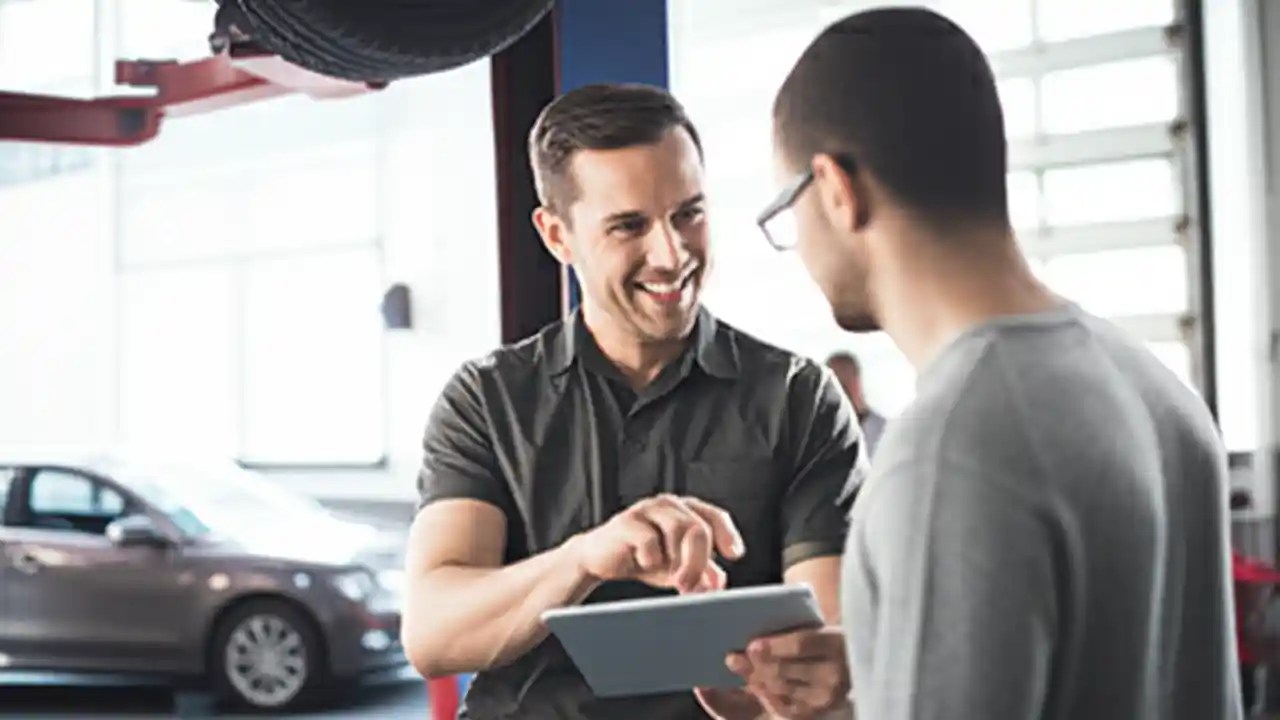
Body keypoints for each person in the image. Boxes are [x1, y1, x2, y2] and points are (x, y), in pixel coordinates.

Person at [762, 7, 1242, 720]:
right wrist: (877, 681)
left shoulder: (950, 447)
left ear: (835, 189)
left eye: (785, 206)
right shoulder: (1157, 390)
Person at [401, 83, 863, 720]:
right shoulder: (486, 401)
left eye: (689, 214)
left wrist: (777, 693)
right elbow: (431, 635)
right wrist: (584, 559)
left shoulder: (798, 398)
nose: (671, 255)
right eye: (629, 226)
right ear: (557, 235)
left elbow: (825, 641)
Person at [825, 351, 886, 459]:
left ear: (857, 381)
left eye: (845, 383)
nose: (840, 391)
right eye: (833, 383)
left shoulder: (885, 433)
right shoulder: (817, 439)